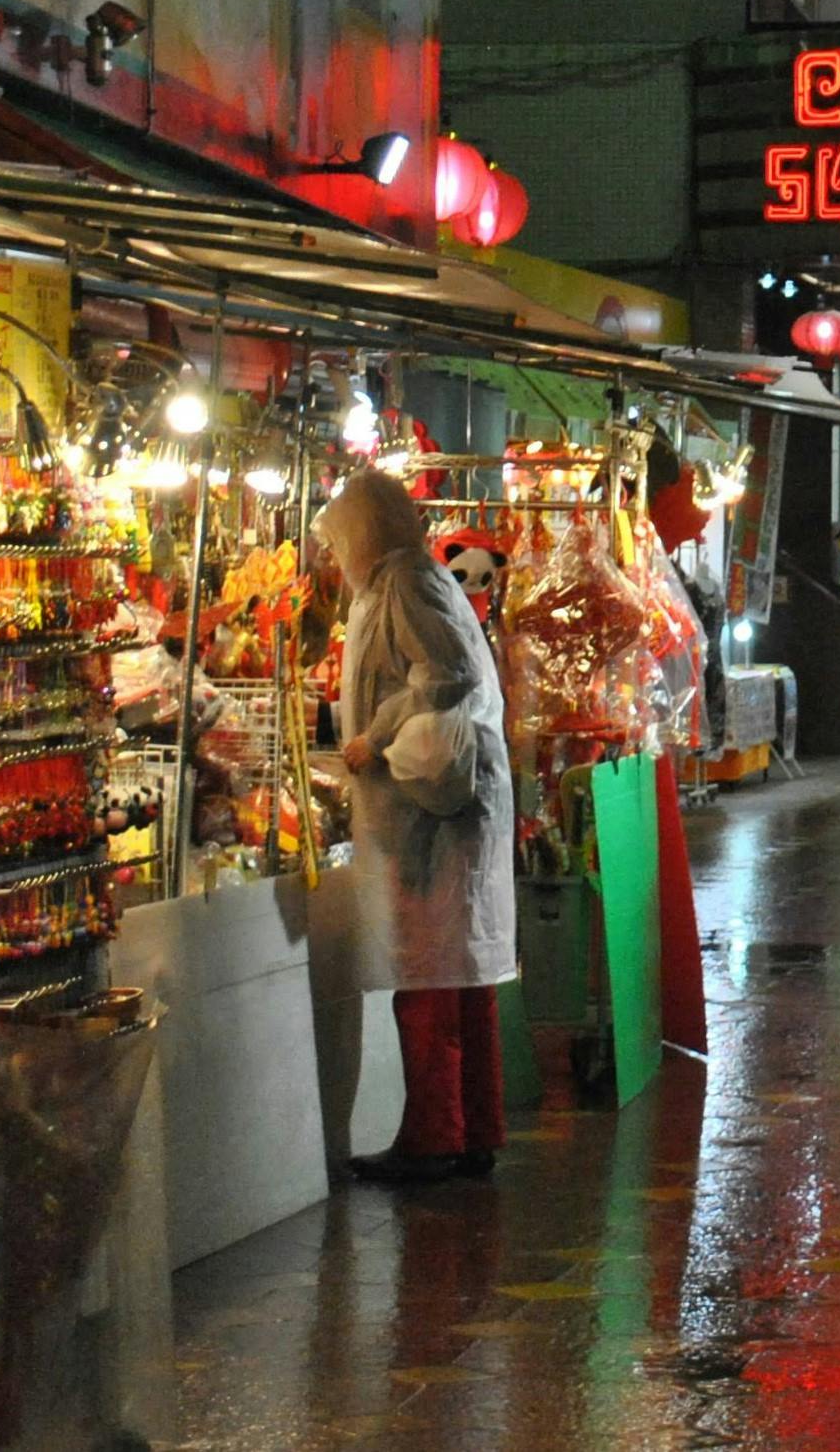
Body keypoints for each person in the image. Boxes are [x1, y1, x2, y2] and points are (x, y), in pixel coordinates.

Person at [317, 468, 517, 1186]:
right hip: (442, 814)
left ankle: (435, 1136)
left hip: (431, 817)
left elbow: (445, 674)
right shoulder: (408, 579)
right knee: (458, 973)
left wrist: (373, 735)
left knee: (430, 974)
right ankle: (471, 1127)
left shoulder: (406, 581)